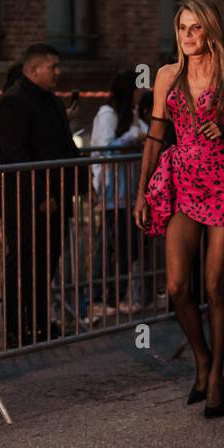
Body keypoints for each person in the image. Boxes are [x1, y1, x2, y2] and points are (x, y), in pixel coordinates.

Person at [134, 0, 224, 417]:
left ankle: (219, 375)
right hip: (182, 181)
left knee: (215, 284)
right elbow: (155, 136)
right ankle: (201, 358)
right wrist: (141, 194)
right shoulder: (167, 75)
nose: (187, 36)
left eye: (195, 28)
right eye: (182, 28)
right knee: (176, 287)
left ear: (210, 30)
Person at [0, 43, 86, 348]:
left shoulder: (53, 102)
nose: (58, 72)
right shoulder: (14, 103)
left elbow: (66, 147)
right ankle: (16, 328)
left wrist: (84, 184)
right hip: (28, 201)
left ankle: (40, 322)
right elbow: (15, 154)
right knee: (23, 263)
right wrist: (41, 194)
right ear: (33, 70)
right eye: (52, 67)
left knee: (48, 262)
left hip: (58, 197)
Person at [92, 69, 148, 312]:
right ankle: (101, 298)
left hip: (130, 189)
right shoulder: (107, 114)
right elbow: (106, 149)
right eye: (138, 89)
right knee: (110, 245)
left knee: (127, 245)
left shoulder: (130, 114)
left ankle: (119, 295)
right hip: (112, 189)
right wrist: (134, 136)